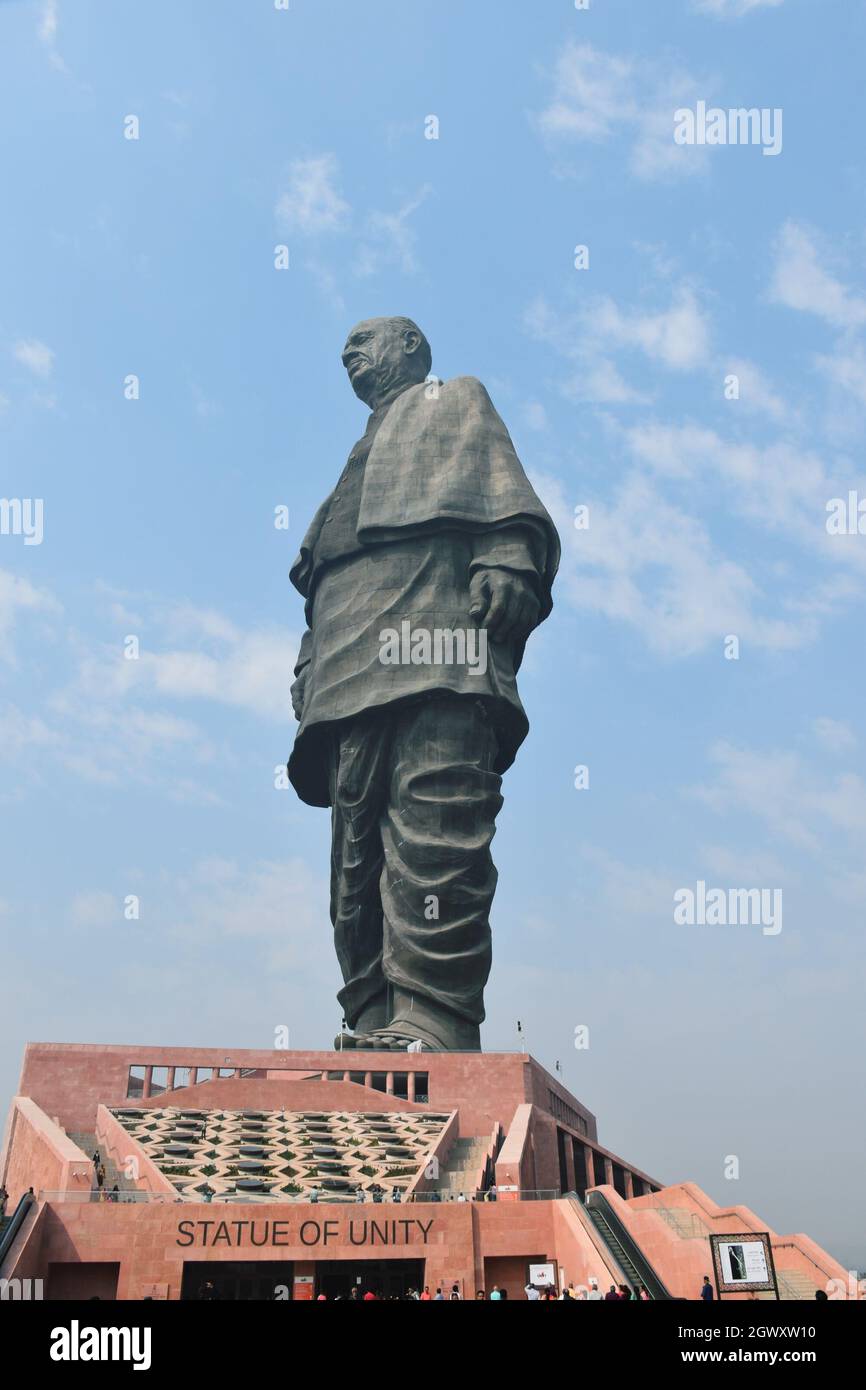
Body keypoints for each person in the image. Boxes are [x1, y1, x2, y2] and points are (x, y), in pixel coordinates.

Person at [289, 317, 560, 1053]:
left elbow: (504, 498)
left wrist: (507, 555)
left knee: (434, 824)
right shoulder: (353, 459)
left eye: (364, 339)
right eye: (342, 345)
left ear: (411, 347)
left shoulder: (454, 401)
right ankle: (373, 1015)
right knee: (356, 856)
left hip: (437, 641)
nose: (349, 352)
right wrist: (308, 663)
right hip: (349, 660)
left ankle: (434, 1017)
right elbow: (320, 580)